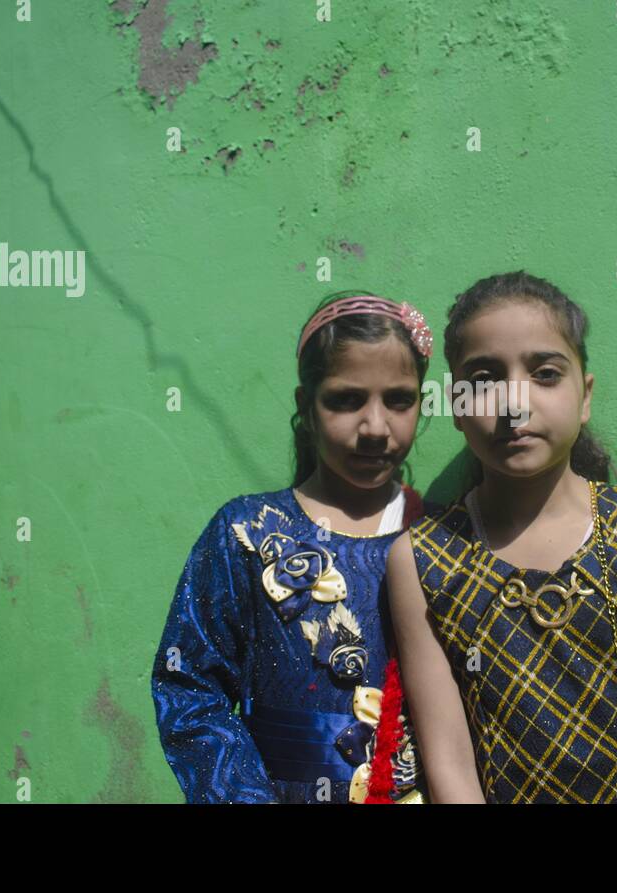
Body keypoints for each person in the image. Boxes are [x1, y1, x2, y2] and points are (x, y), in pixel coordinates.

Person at [387, 271, 617, 803]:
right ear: (455, 403)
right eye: (485, 378)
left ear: (584, 395)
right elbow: (448, 758)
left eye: (544, 373)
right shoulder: (423, 559)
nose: (514, 401)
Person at [152, 291, 434, 803]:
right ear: (306, 406)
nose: (375, 427)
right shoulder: (247, 533)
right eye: (346, 400)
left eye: (399, 399)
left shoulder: (438, 537)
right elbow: (189, 686)